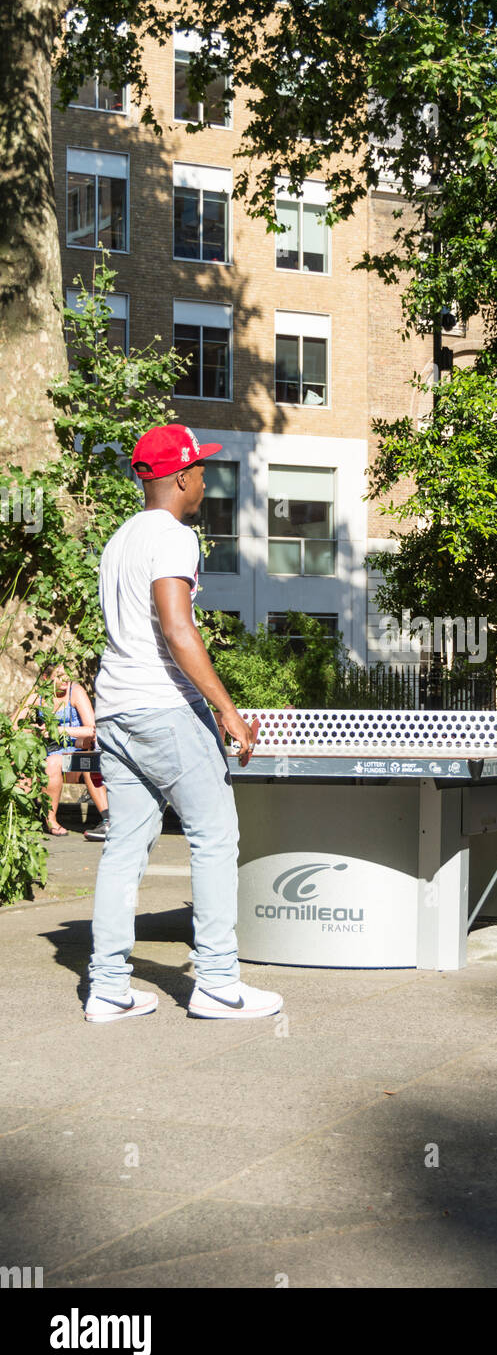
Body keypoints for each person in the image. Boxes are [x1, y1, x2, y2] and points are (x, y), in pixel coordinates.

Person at [86, 423, 283, 1024]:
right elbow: (177, 627)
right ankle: (219, 982)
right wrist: (227, 710)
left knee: (124, 849)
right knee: (215, 836)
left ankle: (108, 987)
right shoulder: (173, 537)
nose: (204, 478)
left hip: (117, 711)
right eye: (199, 469)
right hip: (165, 710)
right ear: (178, 478)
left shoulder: (120, 540)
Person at [15, 663, 109, 839]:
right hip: (49, 752)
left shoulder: (75, 692)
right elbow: (15, 726)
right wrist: (33, 729)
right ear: (45, 678)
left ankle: (108, 820)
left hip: (76, 749)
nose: (65, 680)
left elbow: (92, 730)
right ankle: (45, 820)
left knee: (82, 762)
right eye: (58, 676)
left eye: (66, 675)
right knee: (43, 763)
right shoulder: (39, 695)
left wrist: (58, 731)